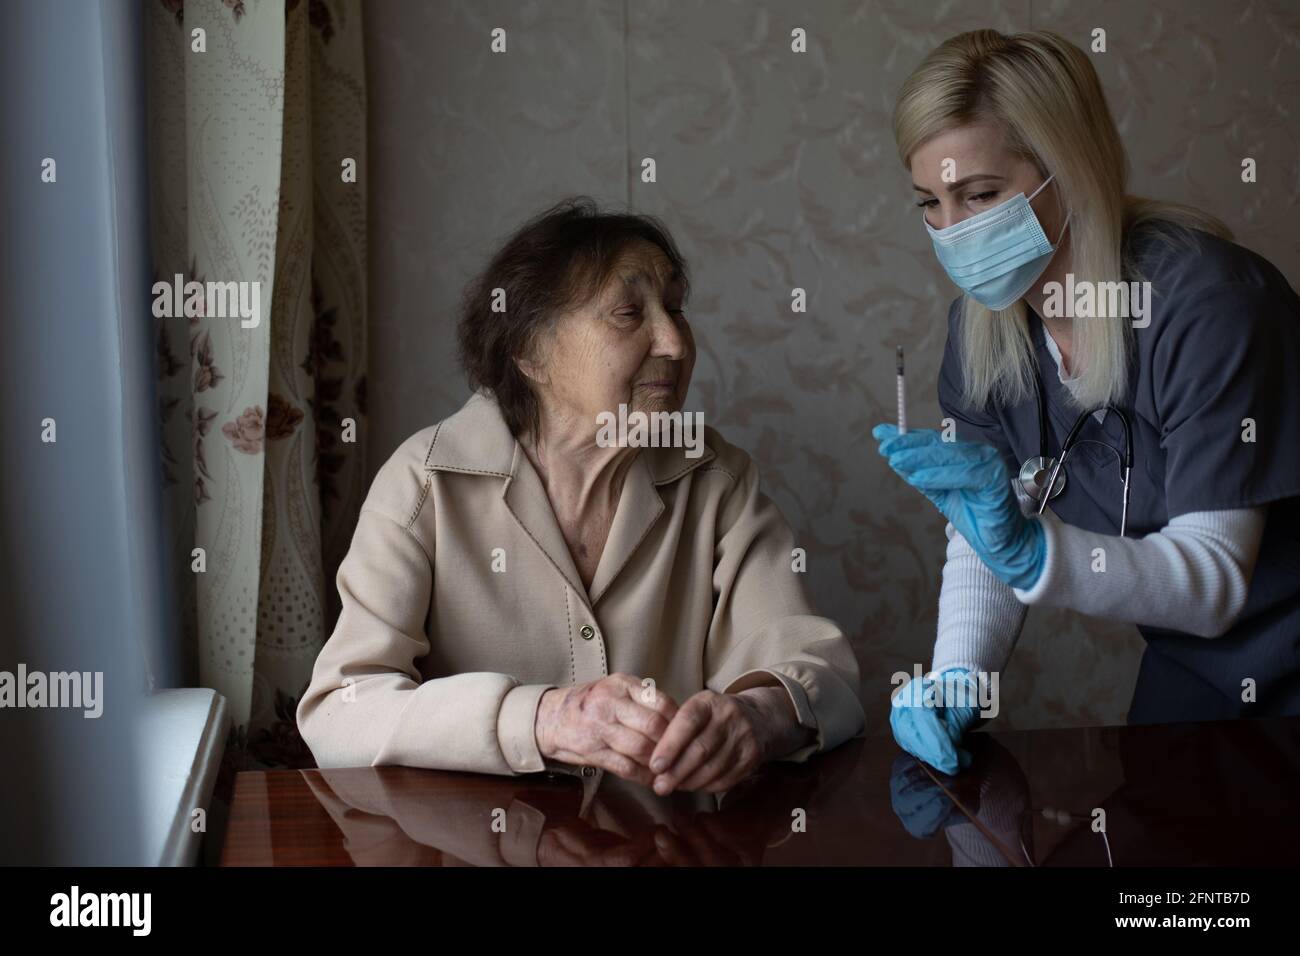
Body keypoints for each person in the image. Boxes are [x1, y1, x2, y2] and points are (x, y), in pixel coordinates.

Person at [297, 197, 864, 795]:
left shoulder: (716, 478)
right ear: (529, 353)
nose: (674, 343)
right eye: (628, 313)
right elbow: (340, 711)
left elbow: (820, 671)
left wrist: (760, 716)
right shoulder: (425, 483)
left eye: (674, 309)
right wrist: (541, 720)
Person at [872, 29, 1300, 774]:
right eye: (930, 203)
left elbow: (1216, 578)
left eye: (979, 195)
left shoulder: (1208, 305)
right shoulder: (983, 336)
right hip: (1194, 666)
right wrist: (958, 672)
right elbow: (988, 528)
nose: (952, 230)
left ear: (1068, 171)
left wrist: (1037, 552)